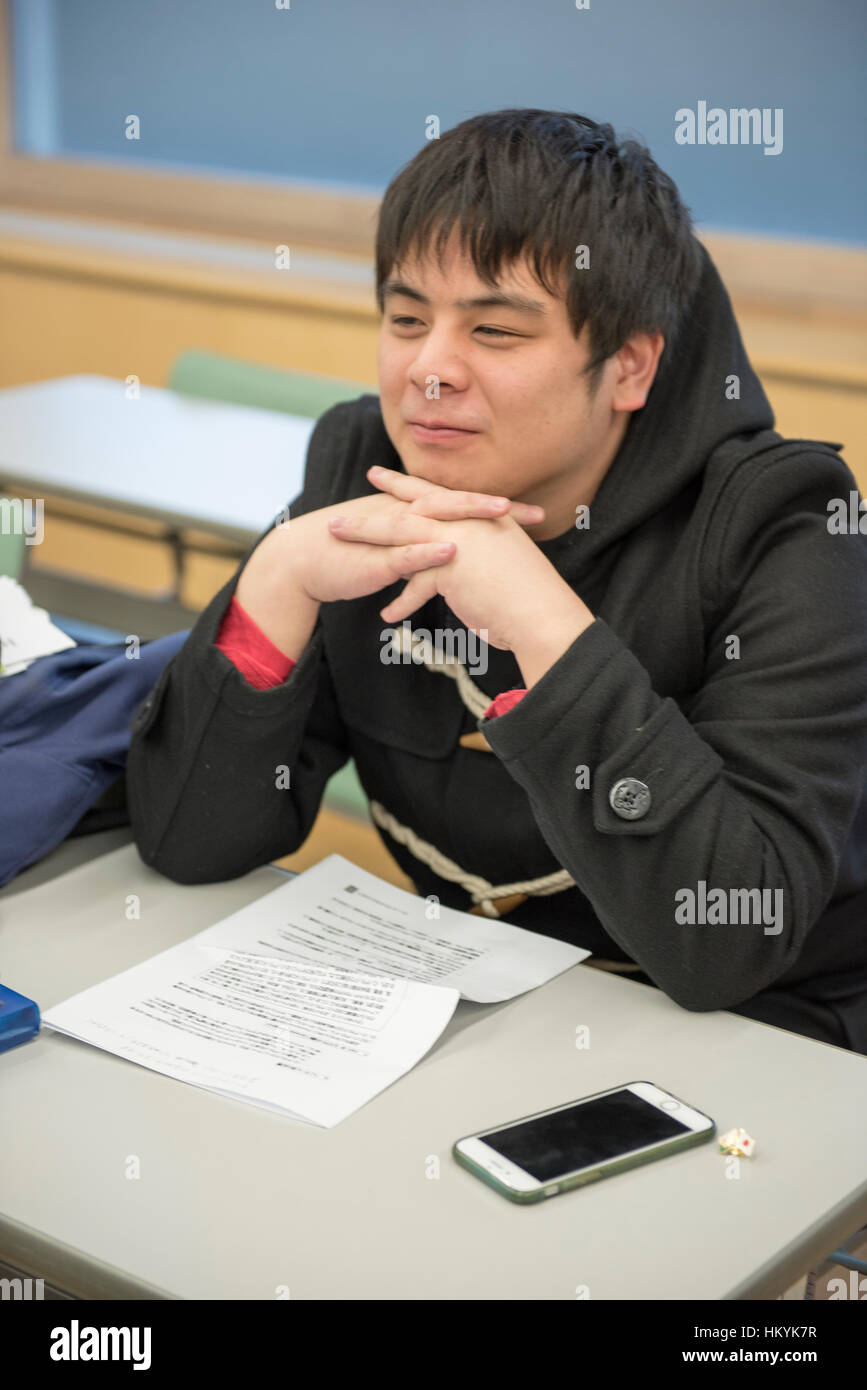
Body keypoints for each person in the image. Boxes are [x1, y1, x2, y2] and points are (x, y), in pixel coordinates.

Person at [126, 108, 867, 1053]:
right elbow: (190, 844)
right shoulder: (360, 462)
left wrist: (548, 632)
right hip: (479, 1008)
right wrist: (275, 581)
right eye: (404, 320)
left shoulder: (784, 527)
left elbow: (725, 944)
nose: (428, 370)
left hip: (764, 1041)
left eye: (496, 331)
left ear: (630, 365)